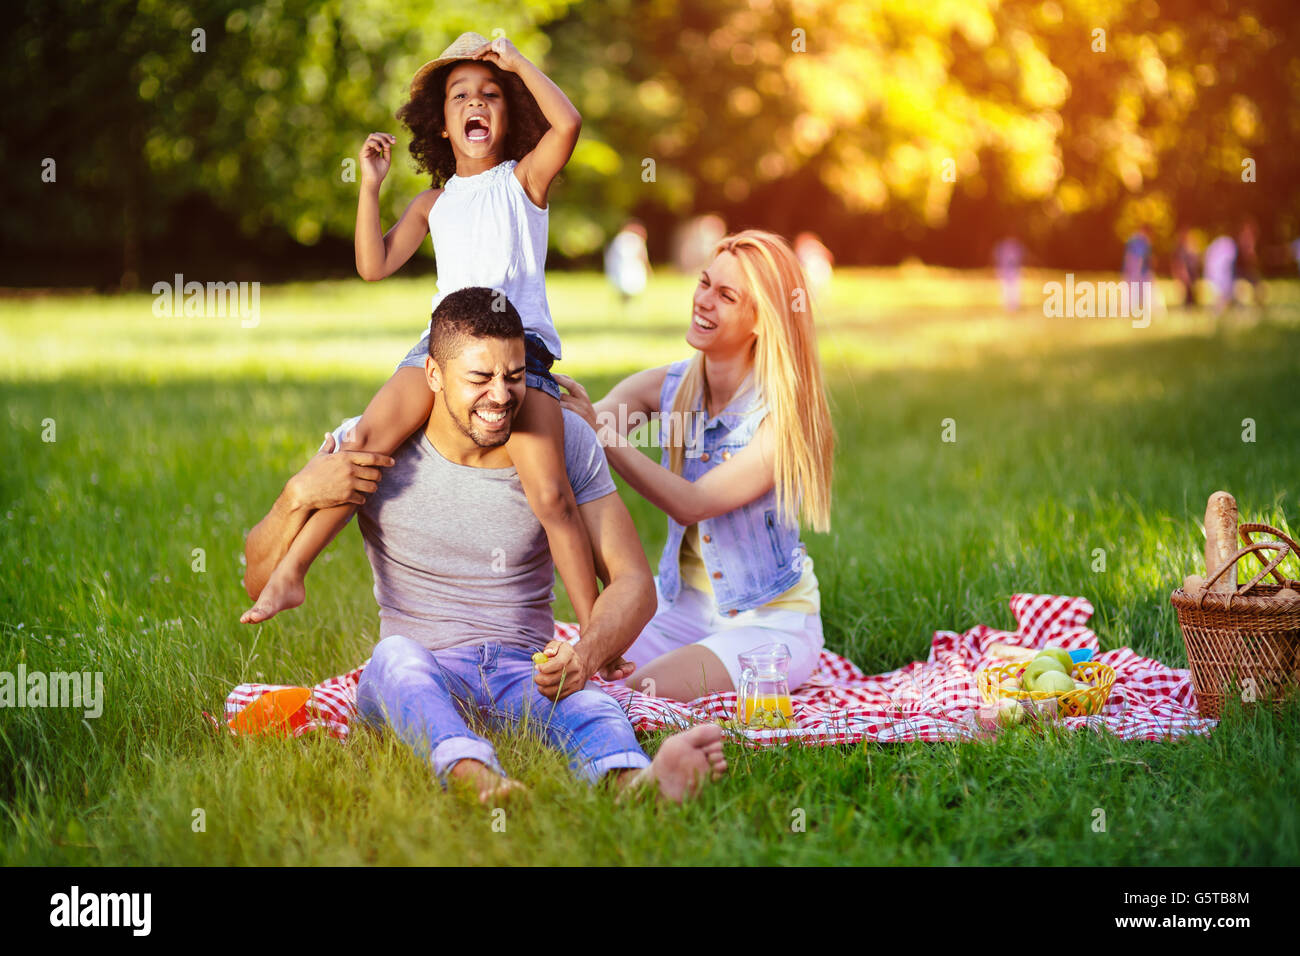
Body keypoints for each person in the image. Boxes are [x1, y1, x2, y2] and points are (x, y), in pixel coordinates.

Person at [241, 288, 727, 803]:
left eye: (514, 377)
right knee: (393, 661)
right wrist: (295, 496)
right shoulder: (366, 448)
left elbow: (632, 582)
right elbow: (260, 580)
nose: (500, 396)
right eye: (479, 378)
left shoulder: (564, 443)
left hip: (527, 672)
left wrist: (585, 654)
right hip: (424, 671)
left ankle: (636, 784)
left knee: (592, 706)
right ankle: (475, 776)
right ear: (433, 375)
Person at [241, 33, 600, 639]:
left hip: (519, 354)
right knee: (366, 439)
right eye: (460, 95)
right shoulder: (433, 203)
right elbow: (372, 264)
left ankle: (594, 634)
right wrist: (369, 186)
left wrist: (515, 60)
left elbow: (567, 124)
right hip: (441, 348)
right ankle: (294, 568)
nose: (474, 103)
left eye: (490, 94)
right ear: (441, 123)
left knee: (551, 495)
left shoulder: (524, 183)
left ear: (509, 113)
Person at [555, 230, 834, 702]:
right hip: (680, 609)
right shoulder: (673, 386)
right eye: (704, 283)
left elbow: (694, 503)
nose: (703, 300)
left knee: (640, 693)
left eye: (725, 295)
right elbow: (589, 420)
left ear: (761, 321)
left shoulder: (782, 418)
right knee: (578, 669)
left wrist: (606, 438)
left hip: (768, 624)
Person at [604, 219, 651, 306]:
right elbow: (642, 256)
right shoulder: (634, 240)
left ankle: (626, 304)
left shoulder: (618, 239)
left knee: (625, 288)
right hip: (630, 269)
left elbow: (610, 257)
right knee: (631, 288)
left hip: (622, 269)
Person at [1123, 225, 1154, 312]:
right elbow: (1136, 257)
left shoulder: (1135, 240)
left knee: (1136, 292)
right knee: (1137, 292)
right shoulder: (1140, 241)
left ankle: (1135, 309)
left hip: (1136, 271)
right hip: (1138, 272)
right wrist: (1137, 271)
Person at [1204, 233, 1237, 314]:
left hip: (1221, 274)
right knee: (1222, 293)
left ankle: (1224, 309)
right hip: (1219, 275)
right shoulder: (1226, 247)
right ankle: (1221, 309)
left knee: (1224, 293)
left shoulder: (1223, 247)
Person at [992, 235, 1026, 313]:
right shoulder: (1002, 249)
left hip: (1013, 272)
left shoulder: (1015, 248)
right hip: (1006, 272)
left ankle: (1014, 305)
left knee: (1014, 288)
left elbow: (1019, 259)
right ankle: (1009, 306)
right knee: (1007, 289)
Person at [1170, 227, 1200, 308]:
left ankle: (1191, 305)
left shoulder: (1189, 247)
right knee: (1187, 290)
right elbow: (1179, 261)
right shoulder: (1180, 248)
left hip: (1191, 272)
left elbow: (1194, 259)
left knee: (1192, 289)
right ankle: (1188, 305)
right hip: (1187, 272)